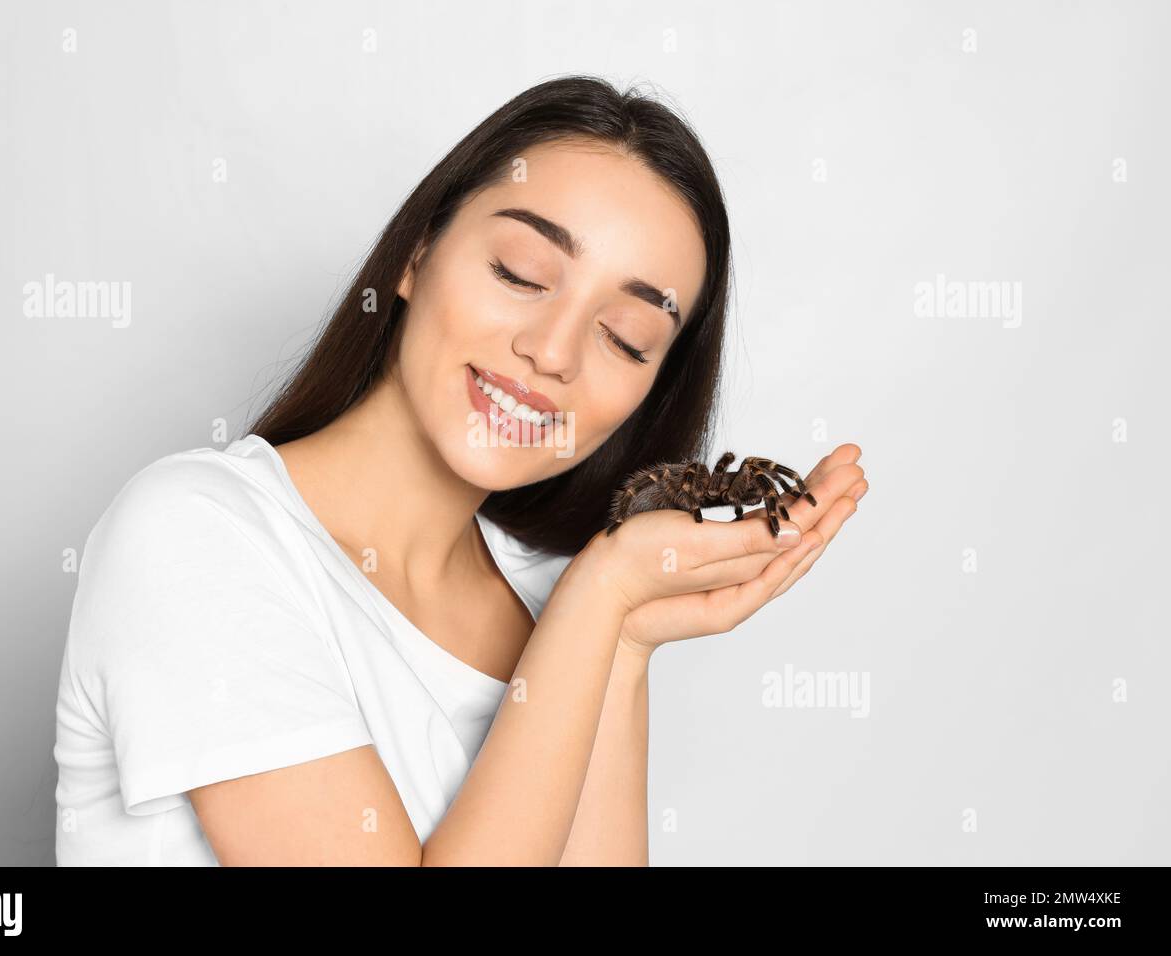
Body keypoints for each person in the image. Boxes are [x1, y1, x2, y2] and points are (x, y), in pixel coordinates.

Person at [53, 74, 868, 866]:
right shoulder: (195, 536)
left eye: (623, 336)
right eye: (520, 273)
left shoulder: (563, 592)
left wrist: (622, 643)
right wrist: (599, 604)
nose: (551, 352)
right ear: (415, 254)